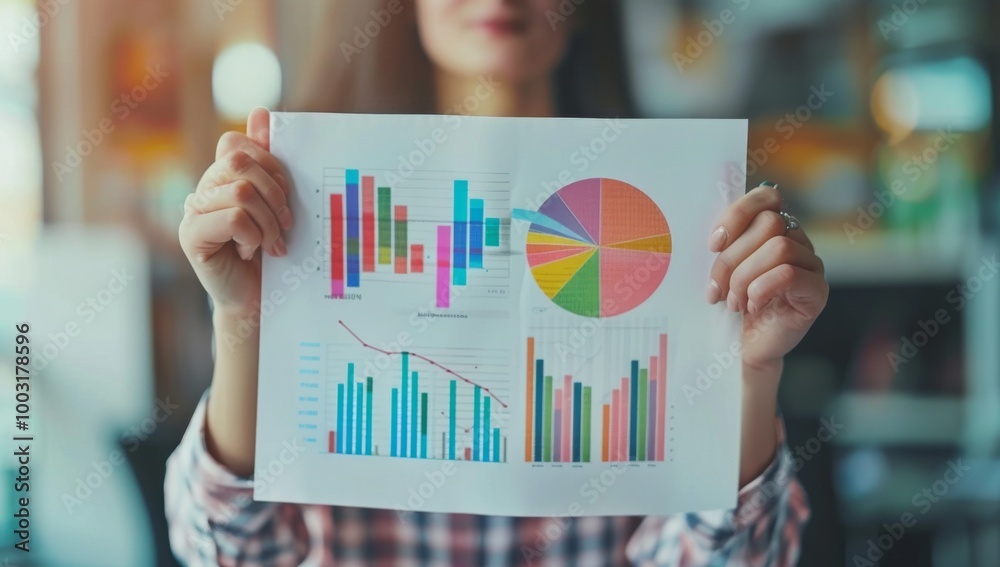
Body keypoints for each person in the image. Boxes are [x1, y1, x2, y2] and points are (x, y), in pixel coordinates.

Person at [167, 0, 829, 564]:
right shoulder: (310, 211)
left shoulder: (687, 225)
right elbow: (228, 553)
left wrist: (749, 370)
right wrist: (244, 320)